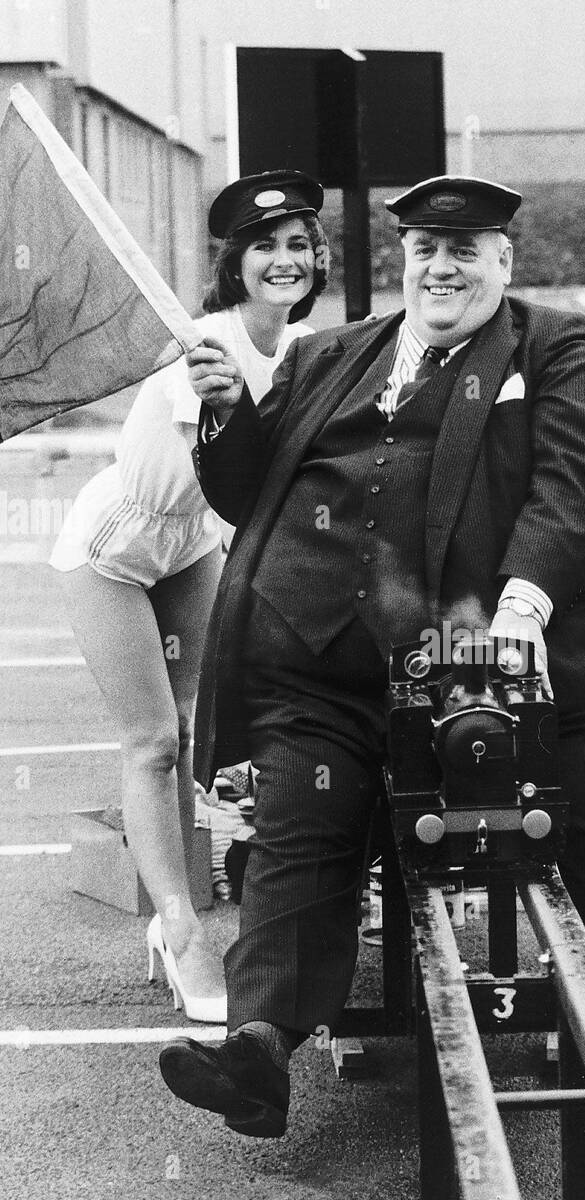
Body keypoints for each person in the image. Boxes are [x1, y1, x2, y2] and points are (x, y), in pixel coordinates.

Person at [157, 175, 585, 1138]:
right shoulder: (326, 353)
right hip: (328, 659)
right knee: (304, 815)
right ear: (404, 260)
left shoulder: (550, 343)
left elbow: (581, 477)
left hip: (507, 653)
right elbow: (244, 496)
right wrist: (227, 413)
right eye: (428, 249)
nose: (444, 267)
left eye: (467, 250)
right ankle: (259, 1046)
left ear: (502, 262)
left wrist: (521, 605)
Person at [50, 170, 326, 1022]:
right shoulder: (198, 349)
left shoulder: (310, 348)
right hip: (117, 546)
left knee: (198, 730)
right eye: (265, 249)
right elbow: (236, 486)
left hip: (190, 545)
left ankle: (192, 898)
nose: (285, 261)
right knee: (152, 741)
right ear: (234, 264)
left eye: (299, 247)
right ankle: (179, 928)